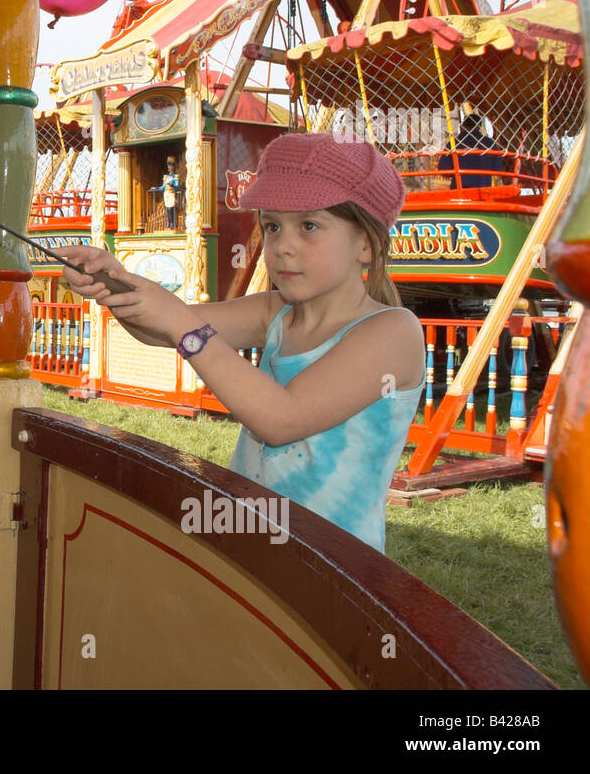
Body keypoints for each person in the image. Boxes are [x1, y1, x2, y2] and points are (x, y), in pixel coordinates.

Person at [59, 132, 424, 552]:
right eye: (272, 226)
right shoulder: (276, 312)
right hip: (251, 546)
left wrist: (177, 320)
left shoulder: (392, 332)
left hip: (334, 569)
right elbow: (158, 331)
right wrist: (115, 283)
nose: (282, 246)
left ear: (366, 243)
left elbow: (281, 420)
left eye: (309, 226)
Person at [437, 113, 508, 189]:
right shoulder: (489, 143)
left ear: (462, 126)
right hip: (483, 190)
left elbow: (443, 170)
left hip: (459, 189)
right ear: (478, 127)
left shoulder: (453, 144)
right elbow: (498, 169)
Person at [161, 155, 181, 230]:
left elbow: (177, 186)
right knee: (168, 209)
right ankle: (169, 223)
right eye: (168, 166)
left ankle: (173, 223)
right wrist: (156, 188)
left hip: (172, 193)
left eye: (171, 166)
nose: (169, 168)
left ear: (173, 167)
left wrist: (172, 184)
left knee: (171, 208)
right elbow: (163, 187)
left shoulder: (175, 176)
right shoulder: (166, 177)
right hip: (166, 193)